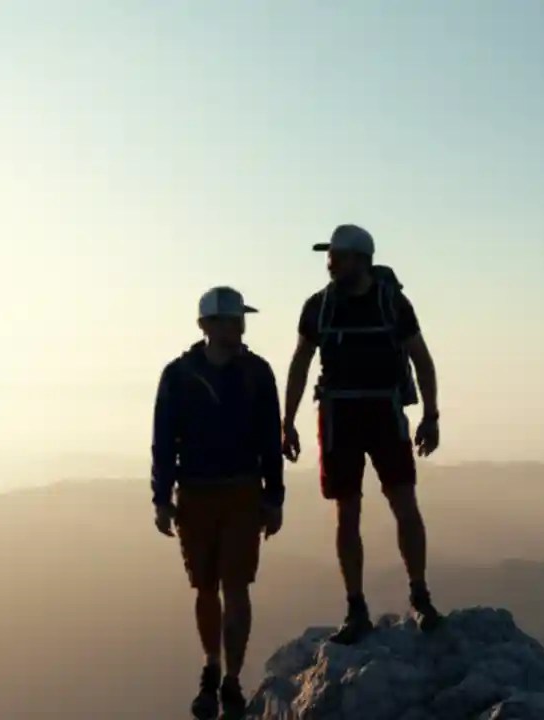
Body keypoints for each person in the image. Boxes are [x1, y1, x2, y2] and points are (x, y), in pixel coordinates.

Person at [281, 224, 443, 645]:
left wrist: (431, 416)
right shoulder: (319, 306)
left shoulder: (392, 303)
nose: (329, 263)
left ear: (361, 259)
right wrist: (287, 421)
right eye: (329, 256)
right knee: (347, 511)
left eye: (336, 256)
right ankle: (356, 608)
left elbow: (421, 359)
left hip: (380, 412)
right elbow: (300, 363)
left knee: (403, 502)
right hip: (340, 416)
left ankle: (420, 596)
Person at [151, 286, 284, 719]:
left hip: (242, 491)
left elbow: (271, 437)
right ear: (206, 325)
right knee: (206, 587)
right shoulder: (178, 375)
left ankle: (230, 680)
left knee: (236, 586)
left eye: (239, 318)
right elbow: (163, 440)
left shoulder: (257, 373)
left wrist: (274, 496)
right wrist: (161, 497)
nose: (239, 326)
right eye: (230, 319)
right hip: (195, 492)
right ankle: (212, 669)